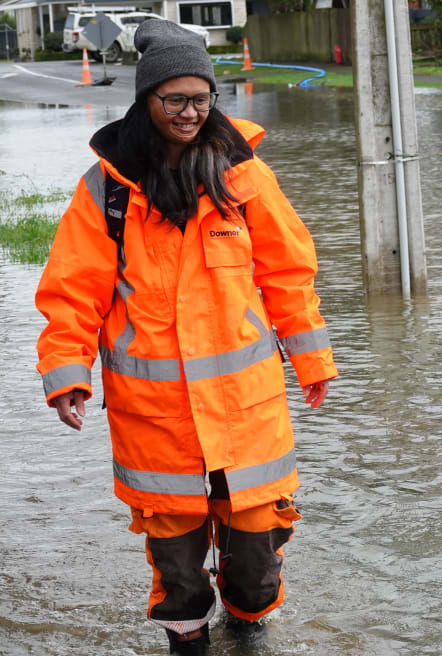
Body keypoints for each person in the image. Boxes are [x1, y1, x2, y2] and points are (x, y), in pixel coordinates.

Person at [34, 19, 337, 655]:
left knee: (255, 553)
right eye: (174, 100)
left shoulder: (246, 179)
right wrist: (66, 375)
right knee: (175, 559)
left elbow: (288, 273)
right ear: (146, 100)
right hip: (154, 416)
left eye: (201, 99)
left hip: (244, 408)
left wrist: (312, 359)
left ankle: (247, 627)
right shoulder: (106, 191)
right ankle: (188, 640)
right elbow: (73, 291)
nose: (190, 113)